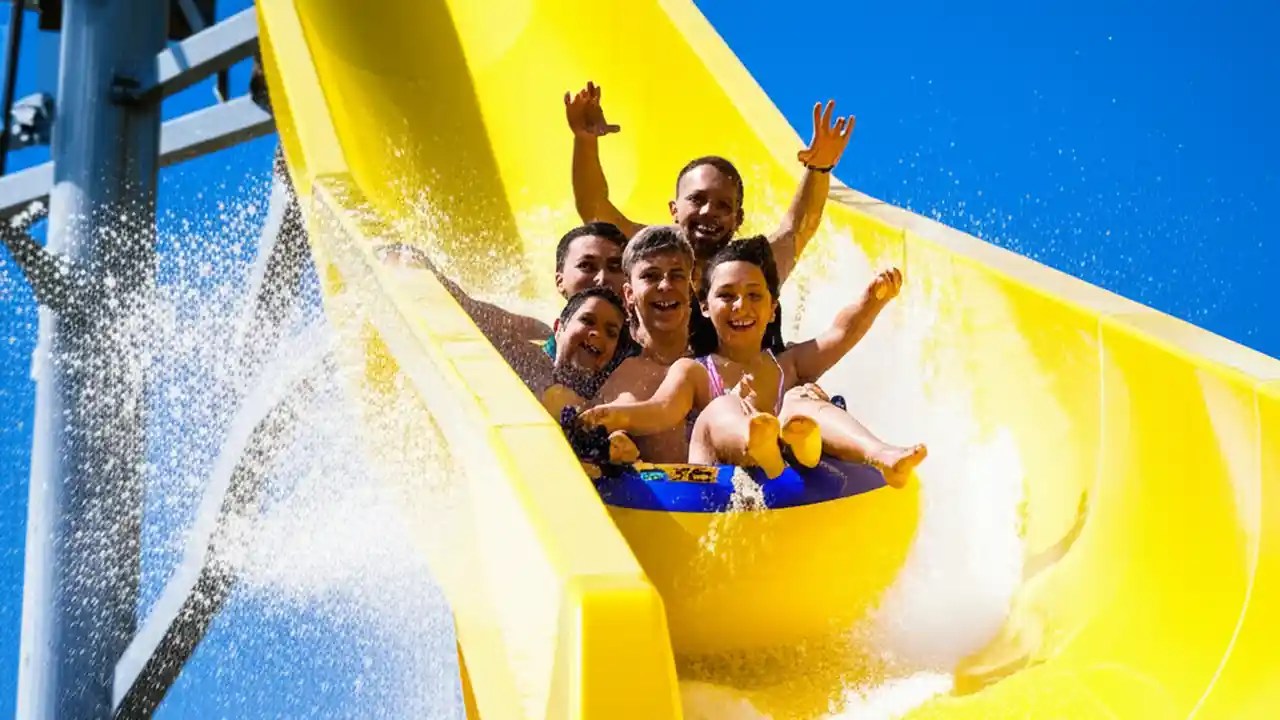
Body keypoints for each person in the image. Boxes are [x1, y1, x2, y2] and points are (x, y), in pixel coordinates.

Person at [580, 237, 927, 486]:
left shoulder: (788, 365)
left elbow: (839, 334)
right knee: (724, 406)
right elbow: (662, 409)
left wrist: (872, 301)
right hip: (716, 479)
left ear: (772, 308)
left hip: (785, 471)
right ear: (704, 306)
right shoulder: (695, 370)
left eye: (754, 295)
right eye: (726, 295)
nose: (740, 306)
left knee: (801, 399)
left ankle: (879, 453)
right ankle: (760, 442)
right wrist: (617, 416)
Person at [564, 81, 856, 353]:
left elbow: (797, 228)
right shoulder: (650, 252)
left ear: (738, 219)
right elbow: (594, 209)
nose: (708, 212)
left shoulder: (754, 265)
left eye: (723, 206)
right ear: (674, 210)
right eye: (697, 199)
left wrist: (819, 169)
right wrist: (585, 141)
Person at [591, 225, 697, 464]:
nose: (665, 285)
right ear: (629, 294)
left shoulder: (717, 342)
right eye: (651, 276)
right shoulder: (615, 363)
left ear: (690, 288)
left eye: (677, 276)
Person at [539, 287, 640, 469]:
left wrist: (617, 441)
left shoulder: (605, 400)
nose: (598, 334)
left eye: (611, 333)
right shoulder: (533, 367)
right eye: (587, 321)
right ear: (559, 328)